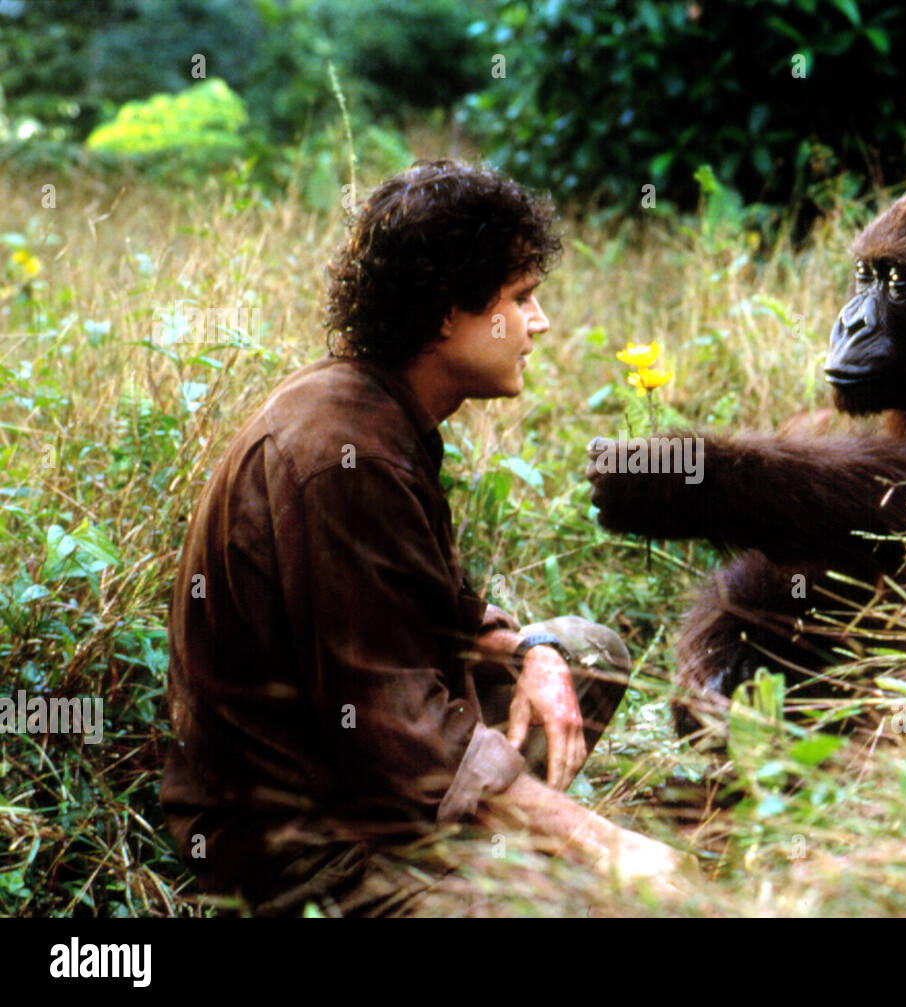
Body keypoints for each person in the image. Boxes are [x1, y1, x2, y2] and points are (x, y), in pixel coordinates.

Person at [161, 159, 677, 917]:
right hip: (303, 840)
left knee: (584, 654)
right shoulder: (345, 457)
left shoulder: (380, 410)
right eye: (521, 299)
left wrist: (529, 652)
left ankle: (485, 848)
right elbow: (405, 731)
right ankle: (472, 870)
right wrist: (605, 846)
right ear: (445, 311)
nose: (541, 324)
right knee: (582, 904)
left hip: (367, 764)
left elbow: (436, 607)